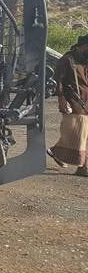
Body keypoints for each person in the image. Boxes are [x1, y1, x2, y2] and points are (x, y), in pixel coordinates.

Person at [48, 34, 88, 176]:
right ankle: (83, 167)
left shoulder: (85, 59)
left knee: (82, 135)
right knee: (79, 134)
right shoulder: (67, 60)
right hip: (73, 100)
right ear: (82, 46)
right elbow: (57, 81)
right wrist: (61, 99)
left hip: (86, 100)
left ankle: (57, 152)